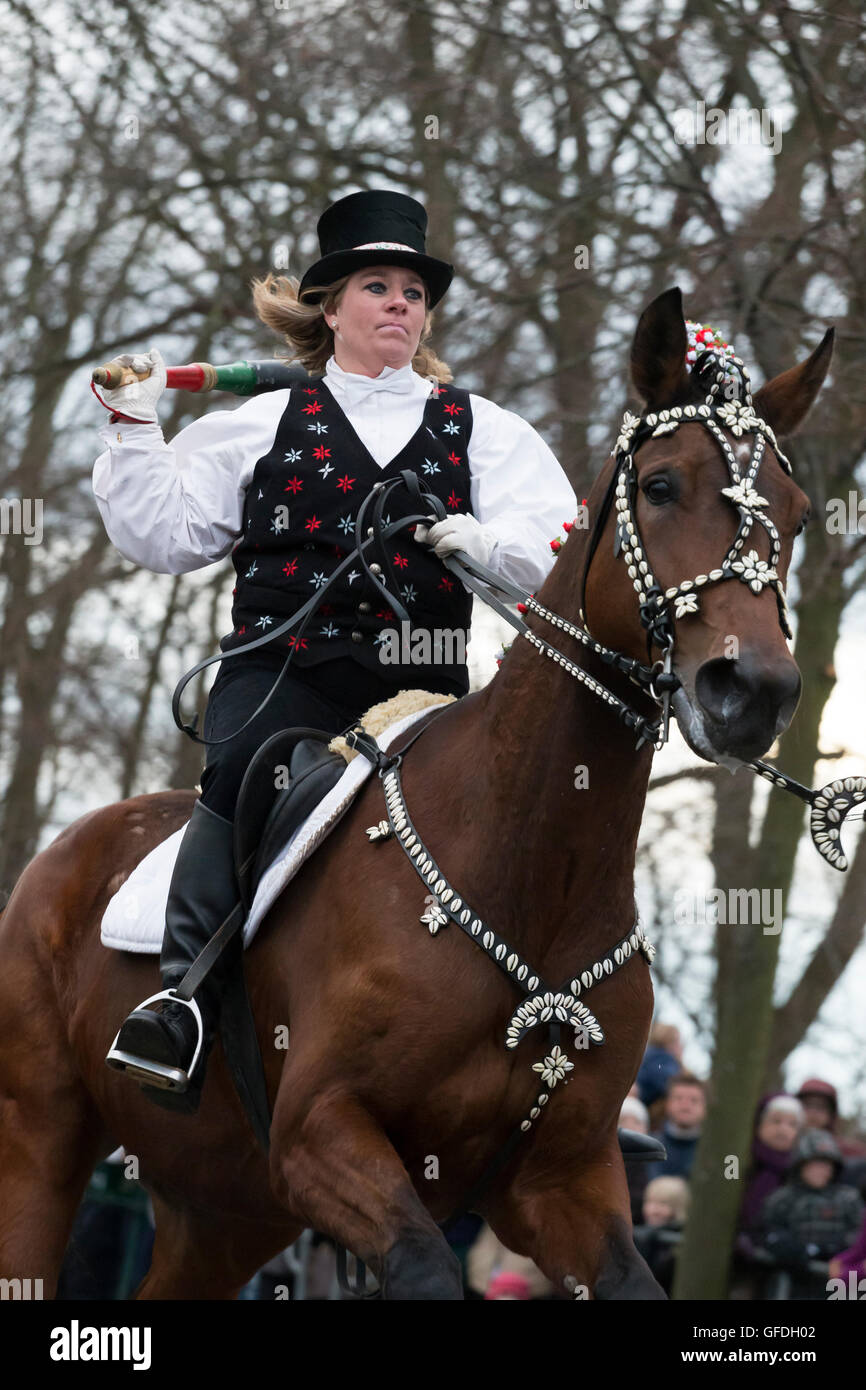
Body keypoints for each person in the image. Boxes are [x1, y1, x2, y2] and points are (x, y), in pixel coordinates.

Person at [91, 189, 577, 1112]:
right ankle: (180, 1001)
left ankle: (550, 1043)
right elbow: (166, 537)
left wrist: (481, 542)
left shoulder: (489, 431)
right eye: (378, 286)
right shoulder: (256, 423)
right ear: (330, 306)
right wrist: (134, 426)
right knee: (241, 771)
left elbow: (556, 549)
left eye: (414, 292)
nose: (401, 303)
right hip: (286, 675)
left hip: (426, 696)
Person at [759, 1130, 863, 1299]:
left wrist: (830, 1249)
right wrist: (791, 1248)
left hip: (839, 1284)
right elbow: (766, 1230)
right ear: (801, 1164)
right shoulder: (783, 1198)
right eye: (816, 1163)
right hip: (794, 1283)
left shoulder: (848, 1198)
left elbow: (859, 1235)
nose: (822, 1170)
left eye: (827, 1164)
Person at [632, 1175, 690, 1295]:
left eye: (663, 1204)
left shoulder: (680, 1243)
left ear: (678, 1208)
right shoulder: (638, 1234)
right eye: (650, 1202)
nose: (654, 1210)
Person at [645, 1073, 706, 1180]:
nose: (685, 1106)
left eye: (694, 1100)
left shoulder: (716, 1150)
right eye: (679, 1099)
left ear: (704, 1108)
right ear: (667, 1104)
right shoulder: (649, 1147)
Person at [636, 1021, 683, 1110]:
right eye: (677, 1041)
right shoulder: (664, 1059)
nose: (680, 1046)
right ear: (668, 1042)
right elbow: (669, 1082)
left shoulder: (648, 1056)